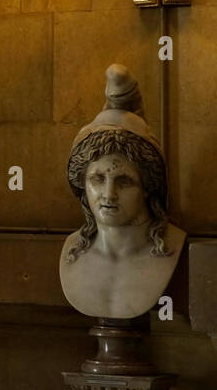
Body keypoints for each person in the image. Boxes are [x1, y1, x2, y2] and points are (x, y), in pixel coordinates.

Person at [60, 66, 184, 319]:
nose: (109, 194)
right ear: (82, 182)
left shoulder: (174, 247)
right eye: (97, 178)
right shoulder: (73, 250)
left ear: (148, 186)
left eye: (124, 181)